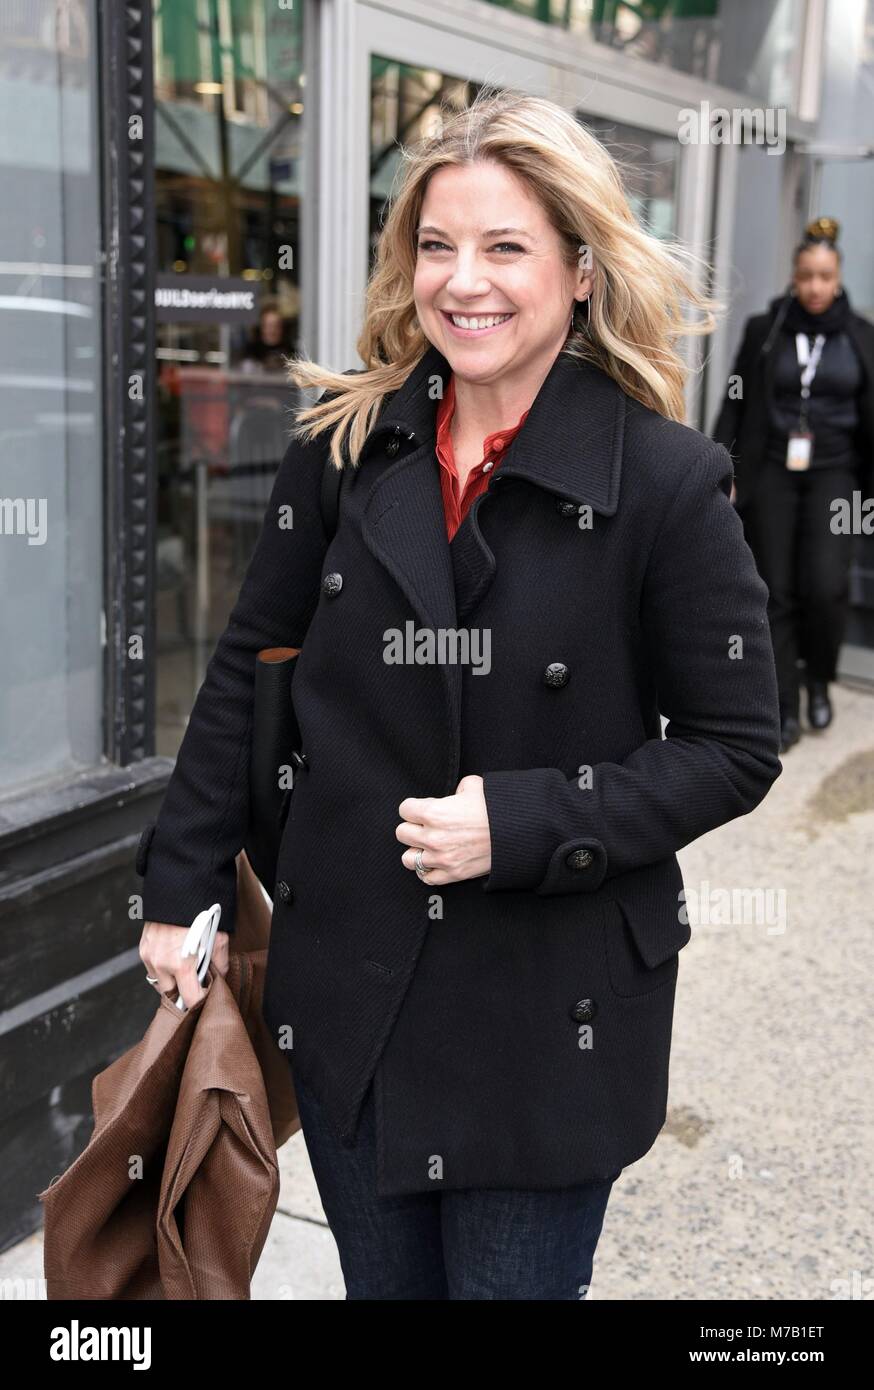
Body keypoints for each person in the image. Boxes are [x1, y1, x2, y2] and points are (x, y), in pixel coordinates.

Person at [136, 88, 783, 1300]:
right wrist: (178, 884)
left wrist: (527, 820)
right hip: (353, 990)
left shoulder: (664, 481)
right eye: (436, 245)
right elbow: (245, 663)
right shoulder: (343, 445)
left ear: (582, 270)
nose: (462, 282)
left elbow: (734, 745)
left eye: (504, 247)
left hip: (547, 1015)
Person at [712, 217, 874, 752]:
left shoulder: (862, 336)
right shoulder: (767, 330)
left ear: (839, 276)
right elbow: (735, 401)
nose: (815, 288)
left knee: (825, 586)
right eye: (806, 276)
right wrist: (721, 470)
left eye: (825, 277)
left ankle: (818, 677)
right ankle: (783, 706)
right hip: (774, 470)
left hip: (836, 472)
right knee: (774, 590)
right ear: (794, 276)